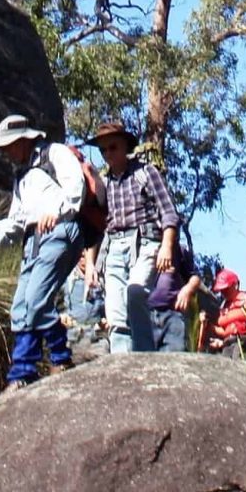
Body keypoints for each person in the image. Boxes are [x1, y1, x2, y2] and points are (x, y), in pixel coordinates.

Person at [0, 114, 85, 394]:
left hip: (60, 233)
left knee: (35, 300)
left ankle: (59, 359)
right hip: (33, 242)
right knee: (21, 306)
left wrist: (56, 212)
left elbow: (76, 188)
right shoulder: (22, 178)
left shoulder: (56, 154)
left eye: (8, 146)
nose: (5, 152)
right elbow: (15, 224)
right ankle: (22, 373)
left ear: (23, 139)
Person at [85, 121, 180, 353]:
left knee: (136, 291)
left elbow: (169, 212)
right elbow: (95, 228)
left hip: (145, 242)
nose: (108, 154)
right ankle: (122, 363)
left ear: (125, 146)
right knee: (115, 310)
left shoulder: (146, 173)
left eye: (113, 147)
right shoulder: (103, 184)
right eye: (103, 150)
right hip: (113, 247)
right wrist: (90, 265)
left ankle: (144, 355)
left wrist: (167, 246)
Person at [147, 243, 201, 352]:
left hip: (172, 313)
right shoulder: (141, 245)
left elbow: (195, 277)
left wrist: (187, 290)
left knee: (175, 355)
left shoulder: (179, 249)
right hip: (145, 314)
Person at [208, 269, 246, 359]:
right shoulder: (224, 306)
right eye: (221, 290)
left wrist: (244, 326)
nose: (223, 292)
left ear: (235, 285)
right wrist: (209, 326)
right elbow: (225, 332)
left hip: (245, 344)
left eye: (226, 288)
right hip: (228, 345)